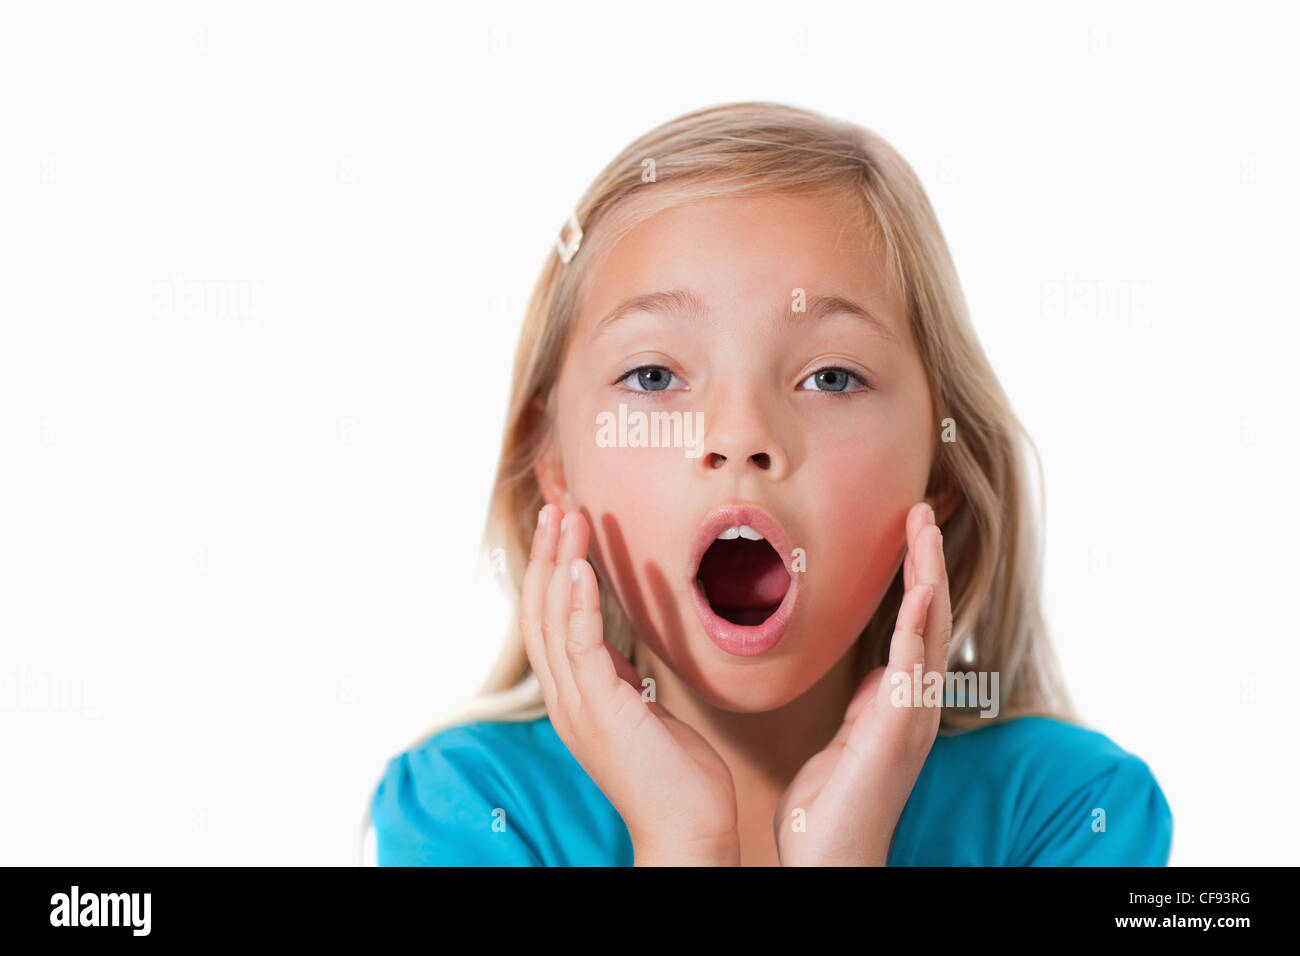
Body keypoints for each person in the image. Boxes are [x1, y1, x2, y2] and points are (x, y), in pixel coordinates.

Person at [364, 101, 1173, 866]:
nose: (741, 437)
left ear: (943, 468)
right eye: (653, 374)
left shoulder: (1068, 811)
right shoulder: (462, 807)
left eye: (830, 377)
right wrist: (683, 843)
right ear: (556, 465)